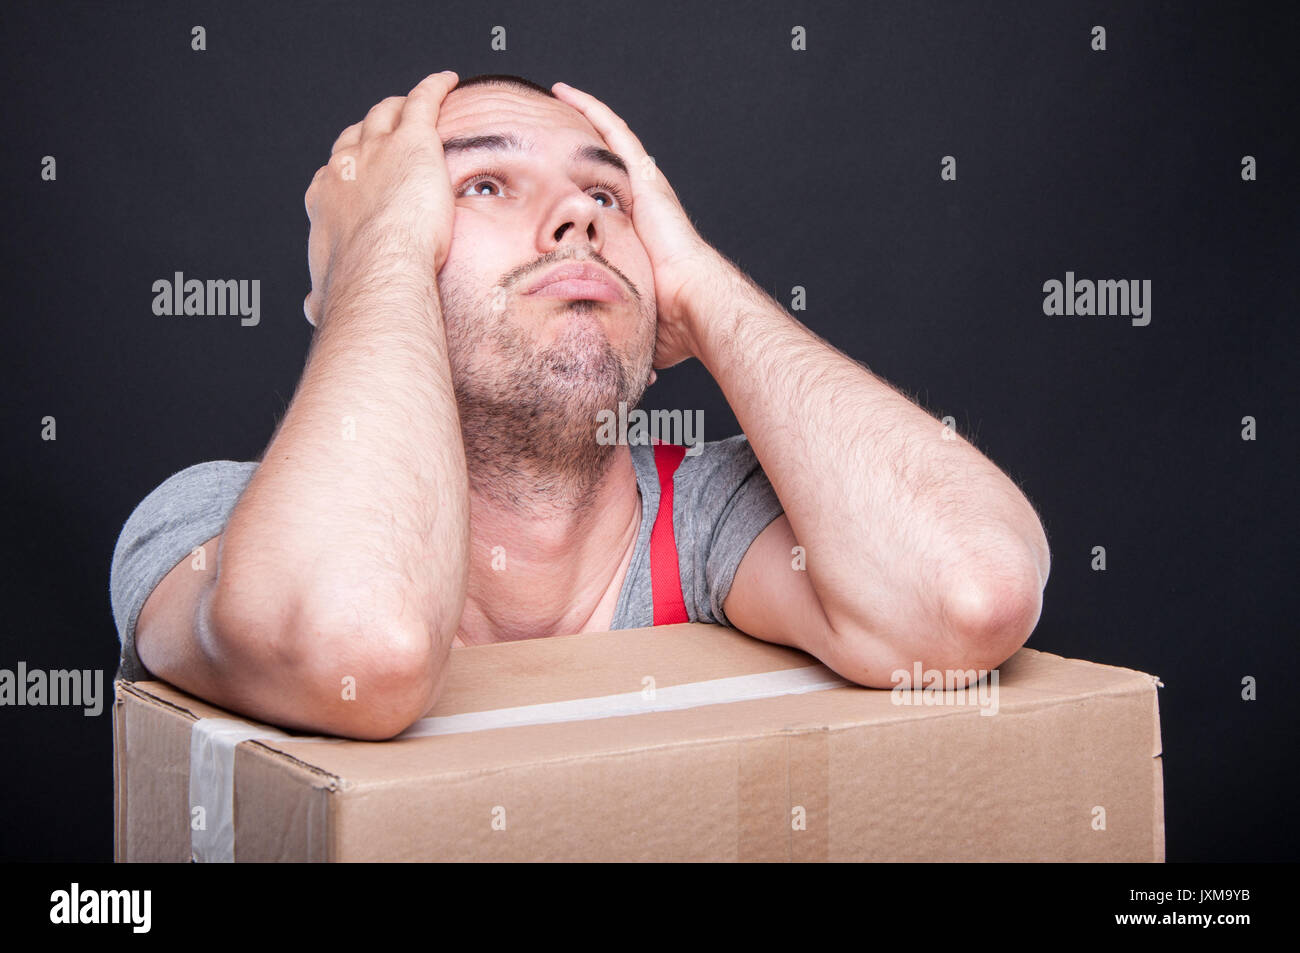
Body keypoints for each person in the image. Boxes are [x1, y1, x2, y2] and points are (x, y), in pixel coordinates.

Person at [110, 71, 1051, 740]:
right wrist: (379, 247)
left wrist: (701, 289)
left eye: (607, 195)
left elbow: (972, 590)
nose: (580, 219)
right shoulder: (211, 527)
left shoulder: (712, 517)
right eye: (481, 183)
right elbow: (361, 645)